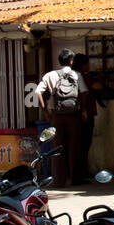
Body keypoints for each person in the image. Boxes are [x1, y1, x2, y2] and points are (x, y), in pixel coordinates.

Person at [36, 49, 85, 187]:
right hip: (73, 115)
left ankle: (58, 180)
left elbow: (38, 92)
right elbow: (84, 93)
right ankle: (75, 179)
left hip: (56, 115)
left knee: (57, 147)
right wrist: (84, 110)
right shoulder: (76, 75)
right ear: (71, 61)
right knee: (74, 146)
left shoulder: (50, 75)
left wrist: (45, 111)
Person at [72, 52, 96, 184]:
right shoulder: (80, 76)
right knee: (84, 144)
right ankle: (80, 173)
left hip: (75, 114)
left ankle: (80, 172)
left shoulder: (69, 75)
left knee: (80, 145)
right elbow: (85, 93)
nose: (89, 66)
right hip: (85, 114)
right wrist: (85, 111)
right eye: (87, 63)